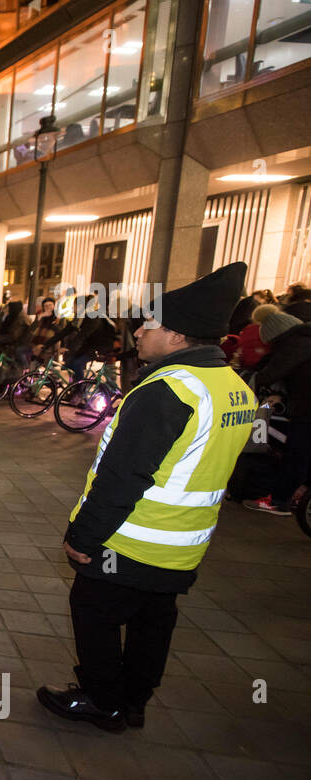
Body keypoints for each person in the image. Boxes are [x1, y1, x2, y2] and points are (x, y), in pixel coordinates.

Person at [39, 263, 256, 732]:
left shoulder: (168, 390)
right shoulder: (234, 390)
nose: (138, 332)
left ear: (178, 336)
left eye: (150, 324)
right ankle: (134, 701)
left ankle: (102, 699)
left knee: (94, 613)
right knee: (153, 623)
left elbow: (123, 477)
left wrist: (84, 536)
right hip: (183, 546)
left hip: (131, 540)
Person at [245, 310, 311, 515]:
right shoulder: (304, 339)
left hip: (307, 412)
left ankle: (280, 502)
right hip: (305, 404)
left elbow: (269, 374)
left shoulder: (295, 345)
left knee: (297, 454)